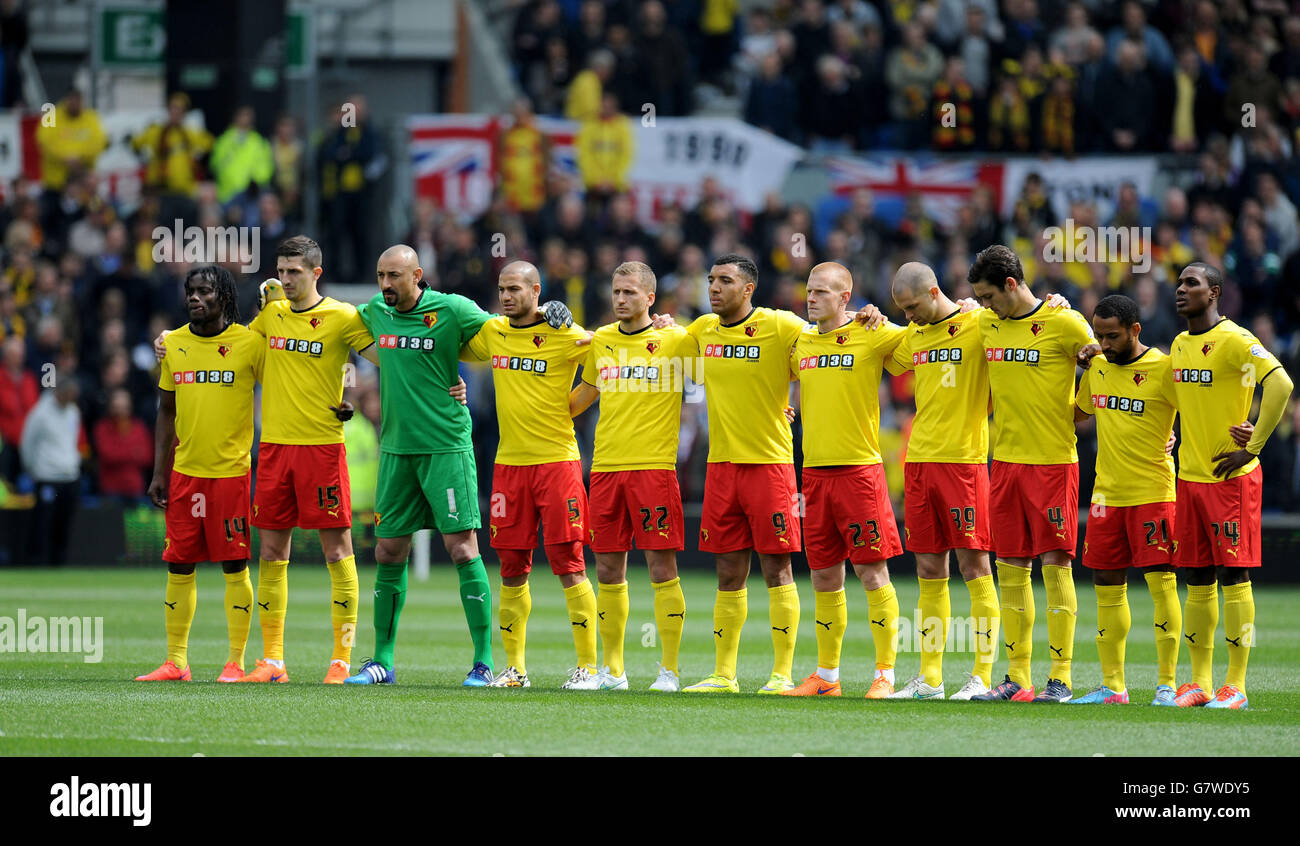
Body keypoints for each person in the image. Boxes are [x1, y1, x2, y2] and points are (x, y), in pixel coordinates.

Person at [157, 236, 378, 683]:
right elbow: (226, 342)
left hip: (322, 447)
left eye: (295, 271)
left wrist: (354, 398)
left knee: (338, 549)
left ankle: (340, 659)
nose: (286, 278)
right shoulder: (269, 317)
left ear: (316, 273)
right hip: (274, 450)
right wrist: (168, 339)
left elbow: (382, 360)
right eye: (281, 270)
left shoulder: (343, 316)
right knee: (273, 552)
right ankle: (273, 660)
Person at [345, 245, 504, 687]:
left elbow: (503, 336)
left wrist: (549, 317)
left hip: (446, 448)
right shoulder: (376, 311)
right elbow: (328, 324)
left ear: (417, 274)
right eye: (380, 275)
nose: (385, 285)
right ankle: (381, 661)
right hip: (396, 450)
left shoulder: (452, 309)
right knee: (387, 551)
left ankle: (483, 663)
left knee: (462, 549)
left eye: (394, 275)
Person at [967, 245, 1097, 703]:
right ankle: (1017, 678)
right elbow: (943, 316)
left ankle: (1059, 677)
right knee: (1011, 567)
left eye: (988, 296)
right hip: (1003, 462)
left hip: (1053, 463)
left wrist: (1162, 432)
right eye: (977, 299)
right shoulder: (985, 321)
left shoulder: (1065, 322)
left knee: (1055, 564)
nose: (984, 305)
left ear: (1010, 284)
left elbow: (1110, 368)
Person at [460, 261, 596, 689]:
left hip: (557, 463)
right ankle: (515, 669)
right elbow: (453, 341)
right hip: (509, 467)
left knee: (569, 565)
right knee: (512, 567)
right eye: (501, 288)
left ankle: (588, 667)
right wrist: (454, 384)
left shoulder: (564, 333)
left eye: (515, 288)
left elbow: (604, 355)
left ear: (536, 290)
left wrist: (568, 408)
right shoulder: (493, 332)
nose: (505, 296)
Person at [1168, 262, 1293, 709]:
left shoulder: (1236, 339)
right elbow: (1173, 400)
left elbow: (1280, 383)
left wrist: (1255, 445)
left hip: (1230, 480)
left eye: (1192, 283)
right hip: (1190, 479)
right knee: (1197, 579)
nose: (1181, 290)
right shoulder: (1180, 345)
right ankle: (1200, 683)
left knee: (1234, 576)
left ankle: (1235, 686)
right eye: (1180, 283)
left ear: (1214, 293)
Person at [566, 261, 693, 692]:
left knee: (661, 566)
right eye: (616, 292)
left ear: (651, 299)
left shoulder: (676, 339)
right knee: (606, 567)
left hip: (654, 469)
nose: (621, 300)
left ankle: (669, 671)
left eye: (630, 294)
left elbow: (725, 369)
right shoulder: (600, 341)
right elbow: (583, 397)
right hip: (604, 469)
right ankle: (613, 672)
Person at [781, 262, 906, 698]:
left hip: (860, 472)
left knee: (872, 572)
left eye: (821, 292)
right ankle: (826, 678)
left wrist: (886, 316)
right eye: (809, 290)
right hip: (814, 474)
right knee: (823, 576)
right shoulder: (800, 342)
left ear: (844, 298)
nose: (811, 298)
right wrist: (781, 406)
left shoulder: (873, 333)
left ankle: (885, 674)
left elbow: (926, 335)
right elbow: (771, 377)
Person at [135, 266, 263, 682]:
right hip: (185, 473)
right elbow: (166, 410)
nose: (195, 298)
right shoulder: (172, 343)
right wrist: (160, 471)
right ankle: (176, 662)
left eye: (204, 291)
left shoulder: (248, 343)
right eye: (190, 291)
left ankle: (236, 661)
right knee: (179, 564)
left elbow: (288, 377)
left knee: (234, 565)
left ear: (223, 298)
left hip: (230, 475)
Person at [885, 262, 1002, 700]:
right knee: (929, 569)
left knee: (975, 567)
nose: (909, 316)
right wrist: (870, 318)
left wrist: (1056, 301)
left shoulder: (980, 322)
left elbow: (1029, 319)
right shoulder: (912, 335)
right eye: (902, 310)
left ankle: (982, 676)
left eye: (912, 306)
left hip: (964, 462)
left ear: (934, 292)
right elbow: (874, 353)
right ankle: (930, 678)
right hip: (918, 462)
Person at [1071, 295, 1182, 705]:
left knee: (1160, 582)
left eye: (1112, 335)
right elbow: (1079, 413)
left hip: (1153, 492)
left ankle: (1167, 683)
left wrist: (1179, 437)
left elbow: (1196, 408)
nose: (1103, 343)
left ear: (1135, 330)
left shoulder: (1165, 367)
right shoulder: (1097, 367)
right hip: (1106, 494)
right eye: (1098, 334)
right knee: (1105, 583)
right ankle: (1112, 686)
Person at [20, 378, 85, 565]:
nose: (71, 399)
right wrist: (34, 470)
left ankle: (59, 562)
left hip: (70, 475)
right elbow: (27, 444)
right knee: (42, 523)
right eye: (69, 395)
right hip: (47, 476)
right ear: (60, 392)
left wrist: (74, 463)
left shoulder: (73, 412)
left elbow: (72, 441)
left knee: (64, 523)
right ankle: (37, 562)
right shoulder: (40, 413)